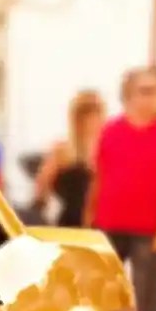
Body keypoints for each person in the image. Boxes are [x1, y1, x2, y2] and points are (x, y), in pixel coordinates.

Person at [85, 68, 156, 311]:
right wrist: (90, 218)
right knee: (105, 294)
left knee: (149, 294)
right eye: (144, 91)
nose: (151, 98)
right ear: (129, 96)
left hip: (150, 226)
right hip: (110, 221)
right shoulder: (112, 131)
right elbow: (99, 176)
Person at [32, 90, 105, 228]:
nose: (92, 119)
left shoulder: (109, 147)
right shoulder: (62, 150)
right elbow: (42, 186)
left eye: (96, 113)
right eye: (86, 114)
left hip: (101, 222)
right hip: (70, 221)